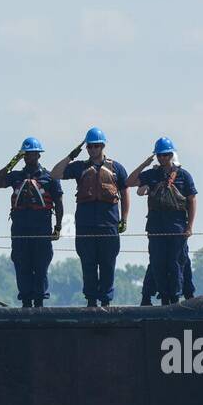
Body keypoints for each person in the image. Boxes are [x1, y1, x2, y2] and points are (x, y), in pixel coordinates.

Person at [52, 127, 129, 307]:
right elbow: (55, 174)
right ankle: (91, 301)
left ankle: (106, 301)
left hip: (108, 225)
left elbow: (125, 191)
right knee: (88, 264)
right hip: (85, 226)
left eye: (96, 146)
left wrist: (124, 218)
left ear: (102, 146)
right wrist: (72, 155)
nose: (93, 149)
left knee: (108, 265)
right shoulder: (79, 167)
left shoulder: (116, 168)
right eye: (90, 146)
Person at [0, 136, 63, 308]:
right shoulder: (15, 176)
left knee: (40, 265)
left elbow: (59, 203)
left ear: (38, 155)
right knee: (22, 264)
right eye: (25, 154)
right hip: (20, 229)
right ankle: (25, 301)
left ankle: (39, 302)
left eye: (31, 154)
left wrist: (58, 226)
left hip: (42, 229)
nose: (28, 157)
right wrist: (12, 162)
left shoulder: (49, 177)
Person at [129, 138, 197, 304]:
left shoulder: (184, 176)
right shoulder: (151, 175)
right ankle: (163, 296)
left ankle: (176, 297)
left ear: (171, 155)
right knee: (157, 263)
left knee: (177, 263)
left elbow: (192, 200)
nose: (163, 158)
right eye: (160, 155)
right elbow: (129, 182)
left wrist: (189, 227)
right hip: (156, 228)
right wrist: (145, 163)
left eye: (166, 155)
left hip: (177, 228)